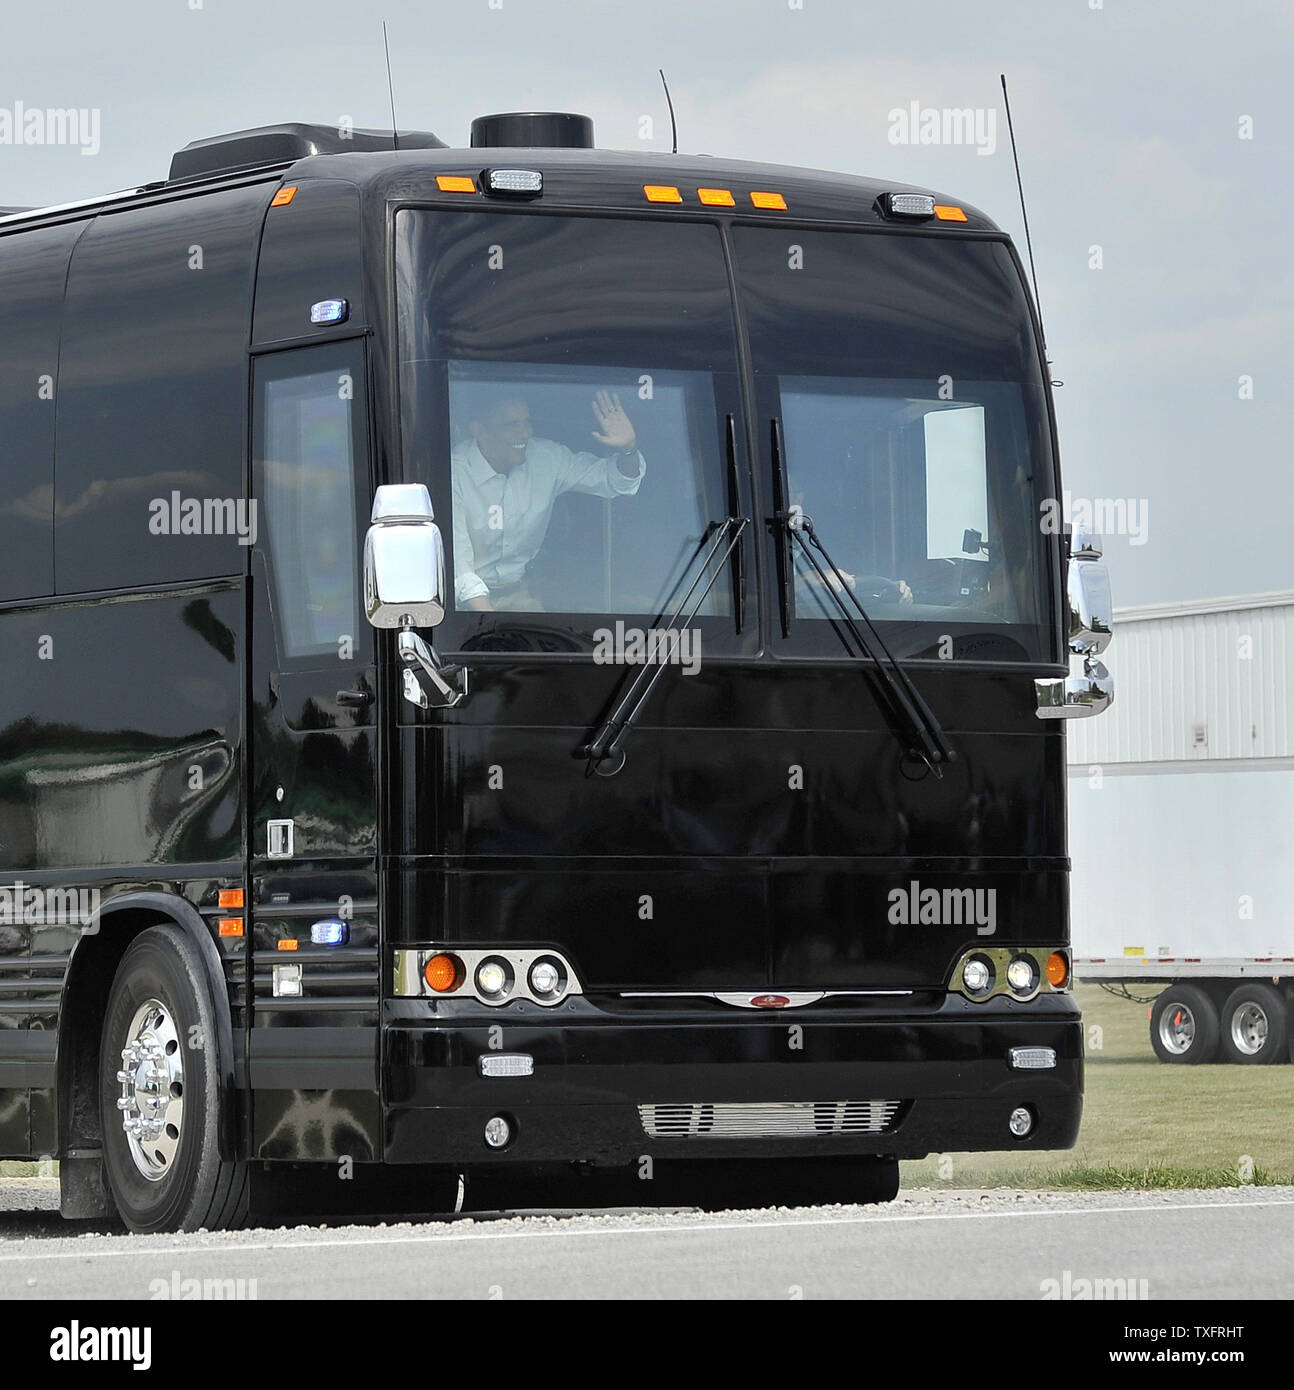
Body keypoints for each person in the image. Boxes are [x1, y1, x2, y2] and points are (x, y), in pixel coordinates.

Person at [451, 390, 645, 612]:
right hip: (461, 607)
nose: (525, 433)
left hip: (521, 596)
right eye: (512, 425)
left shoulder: (547, 458)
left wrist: (628, 448)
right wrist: (493, 627)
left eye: (527, 422)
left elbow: (614, 480)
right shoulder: (453, 473)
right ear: (479, 430)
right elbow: (459, 569)